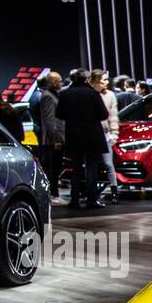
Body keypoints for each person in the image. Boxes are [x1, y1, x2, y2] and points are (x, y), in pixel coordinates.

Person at [56, 68, 108, 209]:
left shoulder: (65, 94)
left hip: (73, 135)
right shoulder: (93, 94)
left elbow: (59, 114)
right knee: (91, 168)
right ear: (86, 79)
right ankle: (91, 200)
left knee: (76, 168)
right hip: (92, 136)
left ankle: (74, 199)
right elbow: (104, 114)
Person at [91, 69, 120, 201]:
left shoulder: (110, 95)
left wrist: (114, 133)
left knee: (108, 164)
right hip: (91, 134)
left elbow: (113, 116)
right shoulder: (90, 94)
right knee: (92, 165)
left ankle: (114, 191)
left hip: (106, 135)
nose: (107, 82)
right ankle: (93, 192)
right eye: (104, 80)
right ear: (96, 81)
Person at [40, 72, 66, 203]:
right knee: (52, 169)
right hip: (52, 140)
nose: (61, 83)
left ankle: (54, 194)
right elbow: (49, 120)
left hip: (56, 138)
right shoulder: (48, 96)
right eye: (59, 81)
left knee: (56, 168)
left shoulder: (54, 95)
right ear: (53, 82)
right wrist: (56, 139)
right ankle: (52, 195)